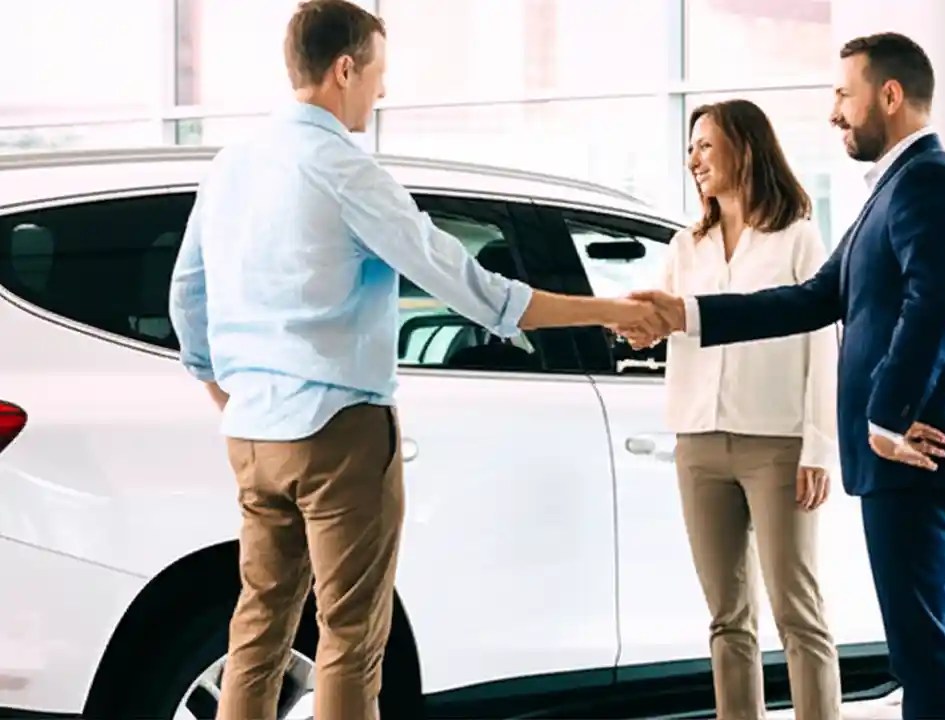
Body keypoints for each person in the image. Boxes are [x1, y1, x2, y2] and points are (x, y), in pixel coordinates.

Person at [167, 2, 649, 718]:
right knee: (351, 637)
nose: (381, 92)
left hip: (253, 435)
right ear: (344, 69)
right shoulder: (344, 171)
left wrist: (230, 398)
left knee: (257, 628)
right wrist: (613, 310)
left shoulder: (231, 165)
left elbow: (186, 299)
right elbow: (475, 290)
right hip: (336, 432)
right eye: (378, 74)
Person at [623, 32, 945, 720]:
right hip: (910, 450)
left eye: (843, 95)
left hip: (915, 448)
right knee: (944, 638)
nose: (834, 113)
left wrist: (883, 416)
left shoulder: (929, 183)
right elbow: (815, 300)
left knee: (926, 648)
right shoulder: (896, 190)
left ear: (889, 95)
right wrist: (687, 314)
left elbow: (936, 304)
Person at [658, 99, 842, 720]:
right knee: (727, 617)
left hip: (777, 443)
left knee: (798, 612)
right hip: (699, 443)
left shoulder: (798, 236)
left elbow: (823, 342)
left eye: (706, 145)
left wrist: (818, 446)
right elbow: (674, 325)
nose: (694, 159)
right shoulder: (688, 246)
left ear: (744, 147)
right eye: (691, 148)